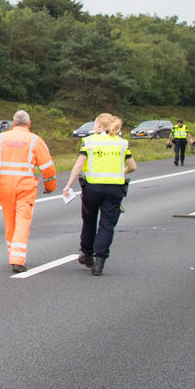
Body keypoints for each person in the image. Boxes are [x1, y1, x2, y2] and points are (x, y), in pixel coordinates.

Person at [0, 108, 58, 273]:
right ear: (29, 123)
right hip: (25, 186)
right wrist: (50, 186)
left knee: (10, 221)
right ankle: (17, 259)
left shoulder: (0, 138)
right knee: (22, 221)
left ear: (13, 123)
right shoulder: (35, 140)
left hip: (5, 186)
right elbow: (47, 167)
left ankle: (12, 254)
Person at [68, 113, 137, 276]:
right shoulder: (122, 143)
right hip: (114, 189)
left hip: (92, 188)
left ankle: (87, 254)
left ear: (99, 125)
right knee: (107, 225)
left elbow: (79, 164)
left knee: (89, 221)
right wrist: (122, 171)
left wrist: (68, 185)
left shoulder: (89, 141)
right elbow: (133, 166)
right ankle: (99, 262)